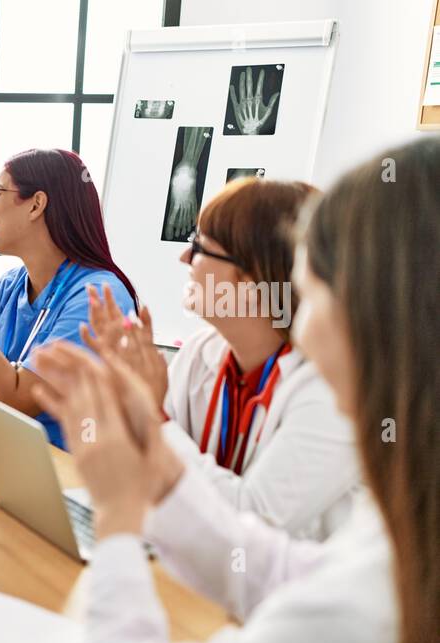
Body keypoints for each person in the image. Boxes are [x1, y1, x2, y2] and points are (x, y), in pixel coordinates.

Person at [30, 136, 438, 643]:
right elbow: (278, 568)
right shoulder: (405, 530)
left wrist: (121, 521)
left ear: (366, 313)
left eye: (309, 290)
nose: (299, 319)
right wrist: (152, 459)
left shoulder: (375, 604)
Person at [83, 176, 358, 540]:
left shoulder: (330, 391)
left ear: (249, 276)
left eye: (199, 246)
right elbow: (144, 472)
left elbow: (253, 521)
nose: (184, 257)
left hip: (295, 591)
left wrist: (154, 418)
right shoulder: (202, 352)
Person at [0, 147, 137, 448]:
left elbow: (14, 400)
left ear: (36, 205)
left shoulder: (96, 297)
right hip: (17, 459)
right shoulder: (10, 286)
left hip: (75, 478)